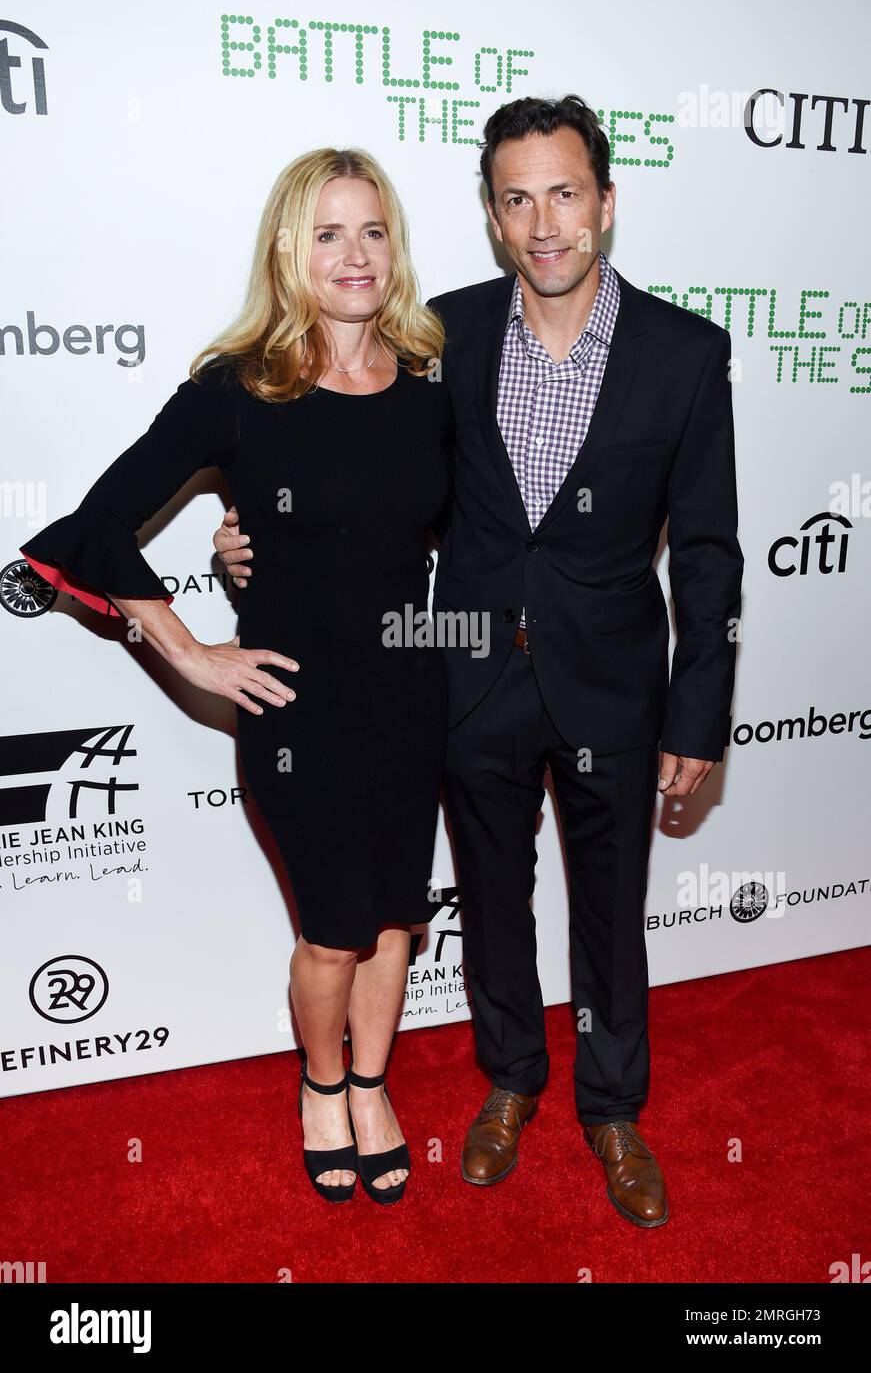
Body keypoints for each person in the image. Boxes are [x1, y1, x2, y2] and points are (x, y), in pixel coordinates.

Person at [216, 96, 744, 1228]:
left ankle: (611, 1105)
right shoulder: (436, 339)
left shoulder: (685, 352)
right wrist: (255, 531)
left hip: (611, 680)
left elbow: (706, 549)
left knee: (612, 903)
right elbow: (350, 468)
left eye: (564, 193)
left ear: (606, 203)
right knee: (491, 898)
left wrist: (697, 717)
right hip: (461, 671)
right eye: (517, 199)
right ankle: (510, 1081)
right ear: (494, 219)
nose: (542, 222)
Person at [19, 147, 454, 1206]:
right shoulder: (240, 391)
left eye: (373, 230)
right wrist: (189, 646)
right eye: (327, 233)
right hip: (295, 704)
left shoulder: (432, 388)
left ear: (394, 249)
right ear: (286, 250)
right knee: (333, 927)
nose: (353, 255)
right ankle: (317, 1086)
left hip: (411, 693)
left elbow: (474, 542)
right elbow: (94, 522)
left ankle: (369, 1083)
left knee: (396, 917)